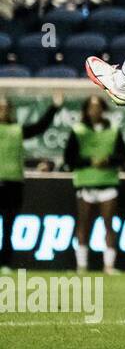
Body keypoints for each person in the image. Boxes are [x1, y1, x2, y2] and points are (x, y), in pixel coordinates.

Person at [65, 94, 125, 275]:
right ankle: (81, 265)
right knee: (83, 224)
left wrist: (108, 161)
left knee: (108, 224)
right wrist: (88, 162)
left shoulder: (114, 130)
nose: (95, 111)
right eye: (91, 108)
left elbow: (123, 157)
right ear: (86, 111)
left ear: (103, 110)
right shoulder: (78, 130)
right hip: (85, 182)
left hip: (108, 182)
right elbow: (69, 159)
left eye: (98, 107)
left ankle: (109, 265)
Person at [0, 92, 62, 273]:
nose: (2, 112)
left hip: (13, 182)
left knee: (8, 226)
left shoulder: (17, 130)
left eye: (5, 108)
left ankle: (5, 263)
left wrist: (54, 107)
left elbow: (39, 127)